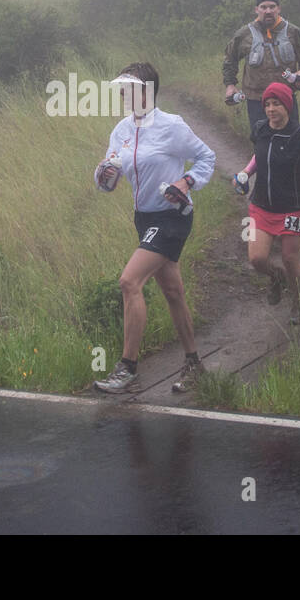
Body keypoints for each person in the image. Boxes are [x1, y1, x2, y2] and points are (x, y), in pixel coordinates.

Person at [92, 63, 216, 395]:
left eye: (127, 88)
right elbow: (108, 182)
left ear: (145, 91)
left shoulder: (171, 126)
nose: (121, 94)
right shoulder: (120, 130)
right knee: (173, 292)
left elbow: (206, 157)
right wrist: (105, 173)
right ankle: (194, 364)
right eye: (120, 88)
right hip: (144, 219)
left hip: (172, 216)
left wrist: (186, 181)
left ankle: (127, 367)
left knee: (129, 281)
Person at [234, 82, 300, 325]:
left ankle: (298, 303)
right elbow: (259, 155)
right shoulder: (259, 129)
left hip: (293, 209)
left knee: (290, 259)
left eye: (276, 103)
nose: (270, 108)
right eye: (267, 104)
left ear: (287, 105)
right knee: (257, 259)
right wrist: (245, 172)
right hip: (262, 206)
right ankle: (276, 278)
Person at [223, 0, 300, 133]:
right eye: (263, 7)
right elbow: (230, 60)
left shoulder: (293, 32)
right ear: (257, 10)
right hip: (256, 100)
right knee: (261, 141)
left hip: (286, 98)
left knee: (290, 140)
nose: (268, 11)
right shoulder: (244, 34)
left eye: (272, 7)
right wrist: (230, 85)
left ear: (278, 9)